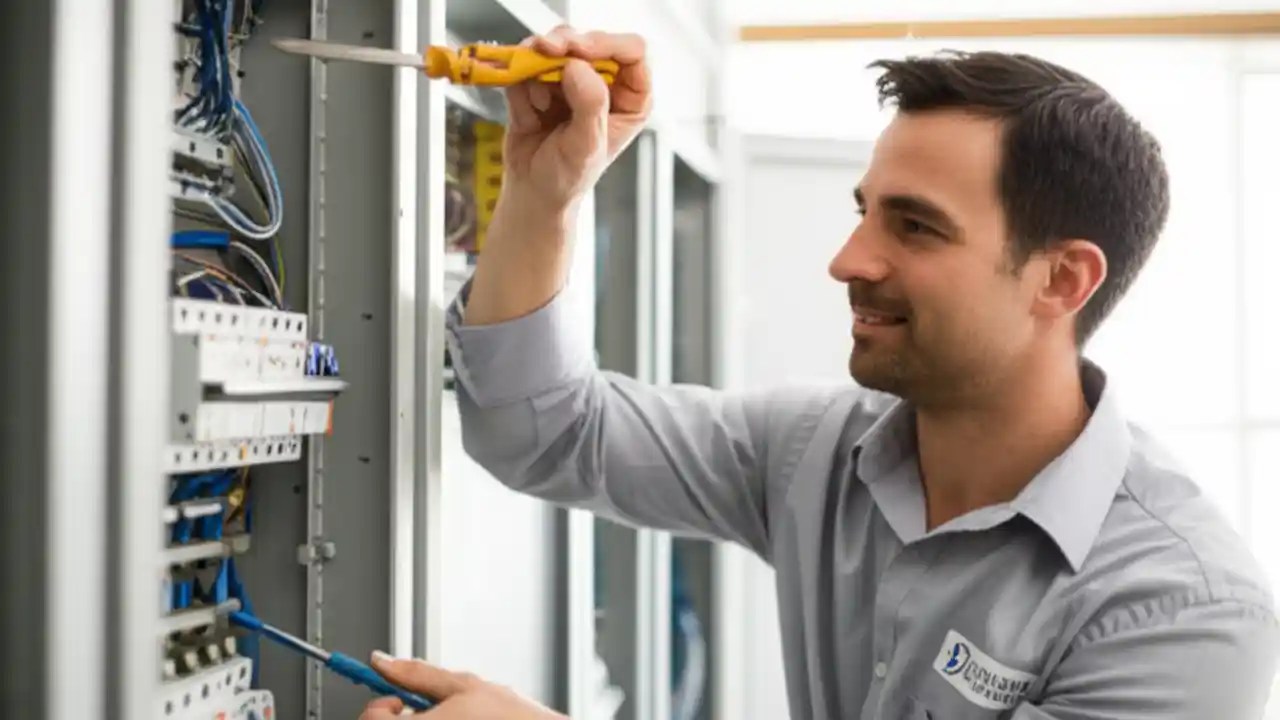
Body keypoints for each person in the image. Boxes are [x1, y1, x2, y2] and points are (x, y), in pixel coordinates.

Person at [362, 26, 1280, 720]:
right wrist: (546, 188)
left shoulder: (1178, 612)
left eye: (913, 226)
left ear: (1063, 279)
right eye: (863, 212)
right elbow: (546, 433)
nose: (848, 259)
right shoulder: (819, 453)